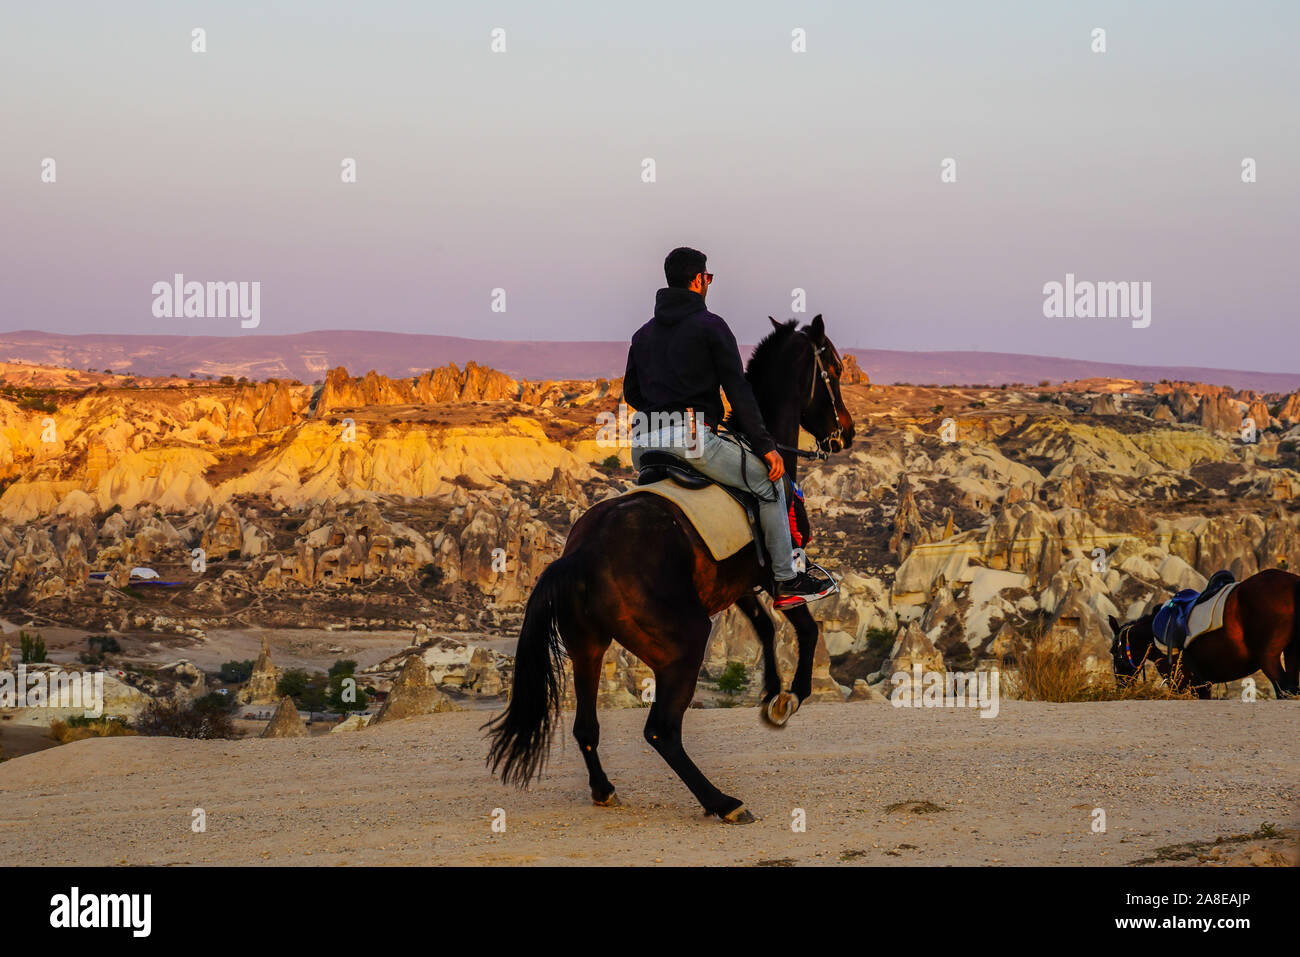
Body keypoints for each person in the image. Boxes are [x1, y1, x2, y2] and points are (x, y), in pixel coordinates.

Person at [623, 246, 834, 608]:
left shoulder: (642, 335)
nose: (708, 283)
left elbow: (631, 392)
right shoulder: (711, 326)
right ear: (697, 280)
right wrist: (766, 447)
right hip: (691, 440)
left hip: (643, 445)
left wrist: (662, 411)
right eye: (708, 278)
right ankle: (786, 579)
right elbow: (738, 389)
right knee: (770, 486)